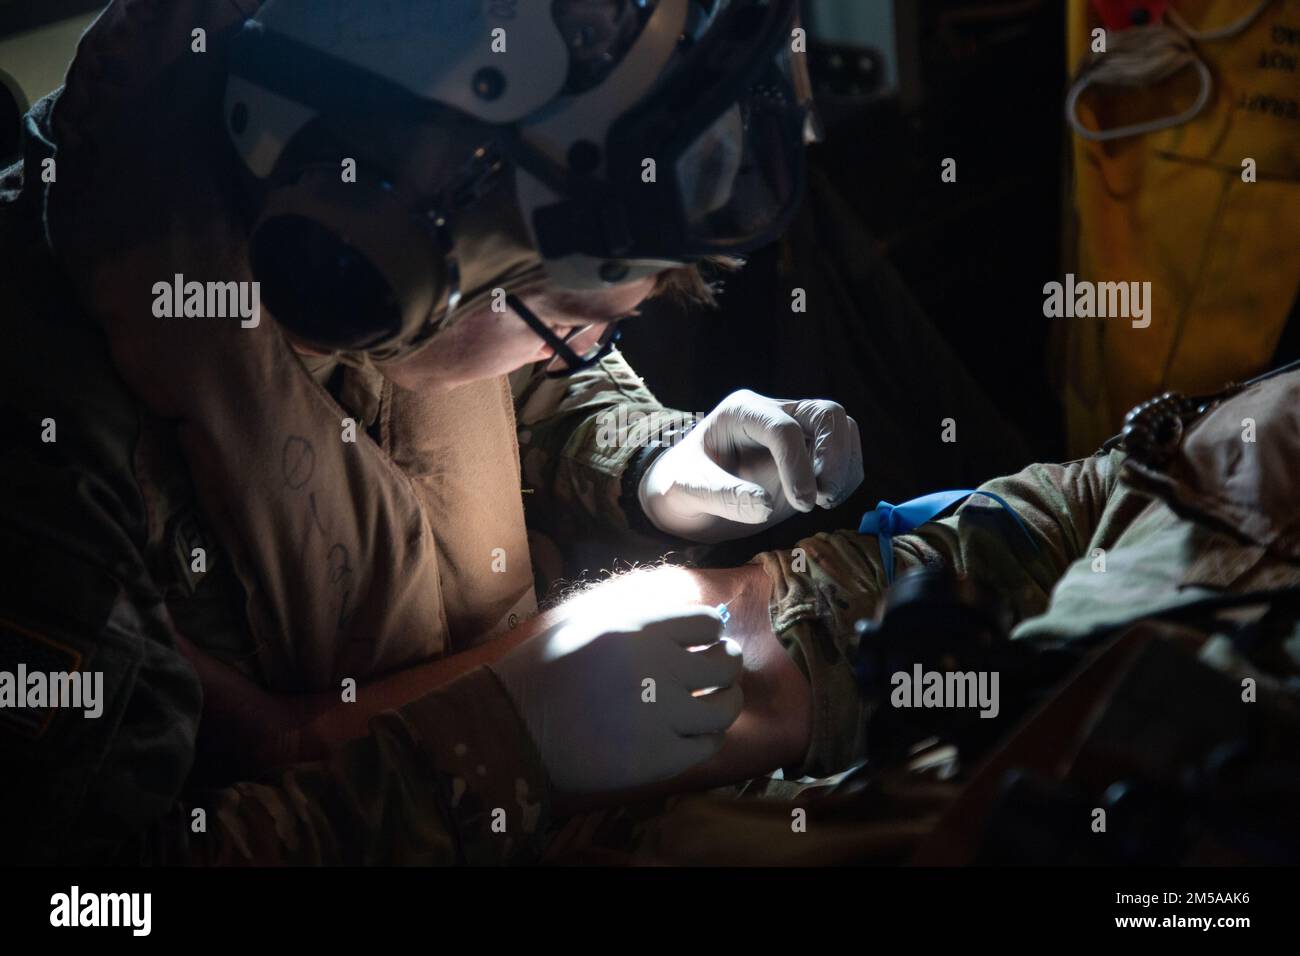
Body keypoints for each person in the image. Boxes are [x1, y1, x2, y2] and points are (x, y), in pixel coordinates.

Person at [1, 0, 869, 864]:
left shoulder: (379, 206)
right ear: (368, 263)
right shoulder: (49, 448)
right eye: (573, 323)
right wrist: (500, 744)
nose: (579, 354)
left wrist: (658, 462)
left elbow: (518, 379)